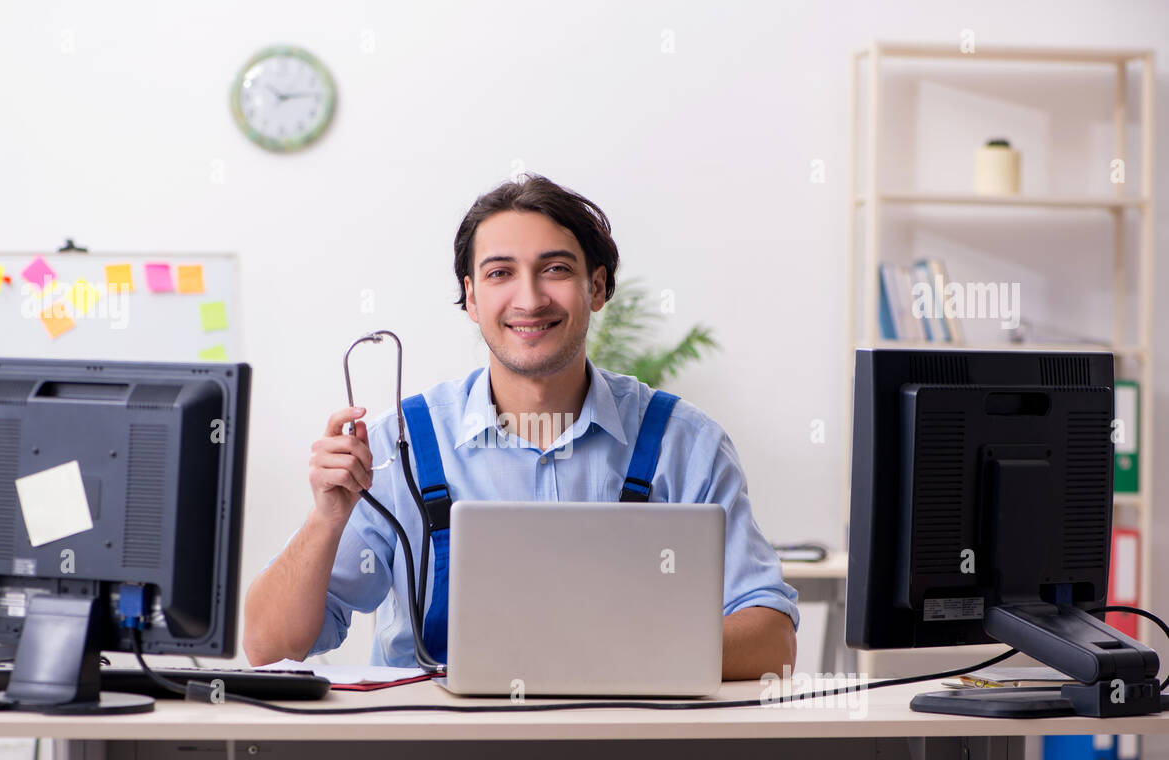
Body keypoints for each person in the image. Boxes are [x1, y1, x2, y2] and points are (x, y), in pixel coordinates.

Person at [243, 174, 798, 679]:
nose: (529, 299)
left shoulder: (684, 444)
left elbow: (772, 640)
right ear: (471, 297)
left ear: (597, 288)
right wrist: (327, 517)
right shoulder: (400, 445)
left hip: (623, 759)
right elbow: (269, 642)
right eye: (501, 273)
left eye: (555, 269)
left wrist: (598, 658)